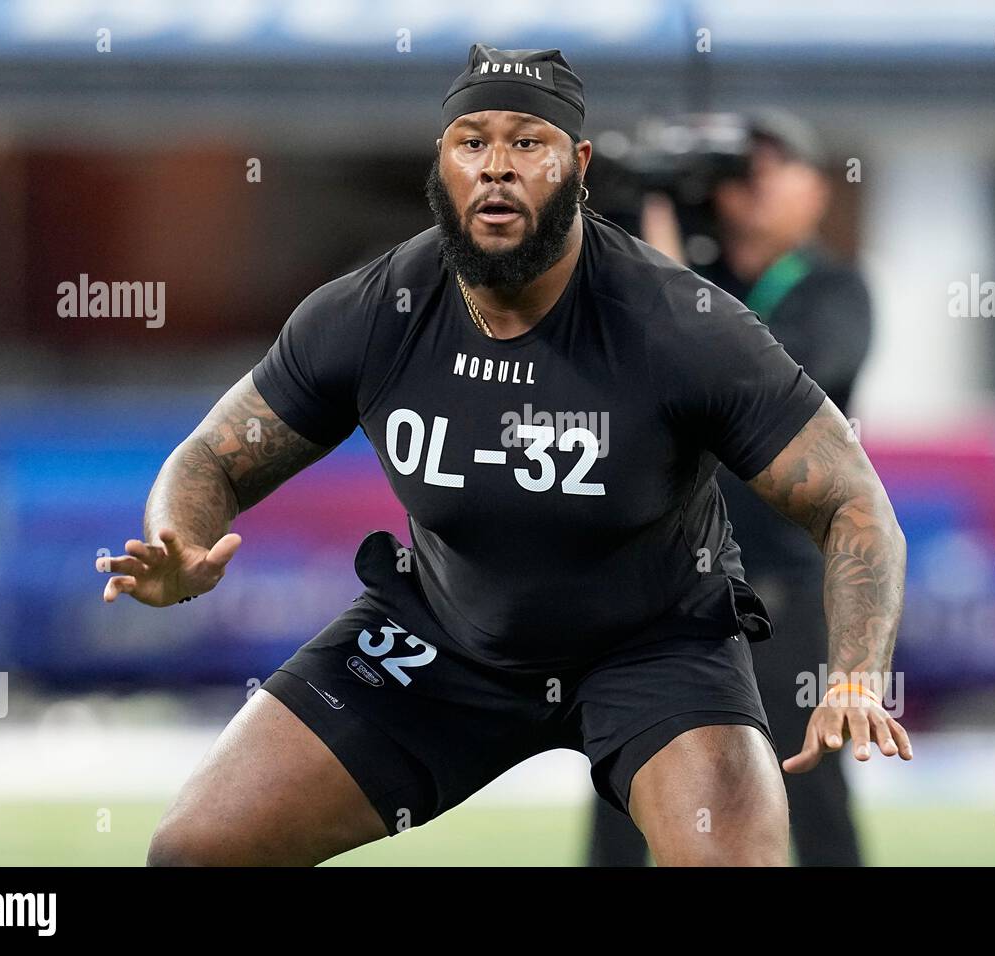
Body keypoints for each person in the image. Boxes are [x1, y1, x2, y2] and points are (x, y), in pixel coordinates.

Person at [98, 44, 910, 867]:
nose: (497, 168)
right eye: (472, 142)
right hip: (446, 639)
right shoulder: (377, 310)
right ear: (442, 163)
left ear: (578, 165)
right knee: (195, 849)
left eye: (529, 143)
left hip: (655, 649)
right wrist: (182, 540)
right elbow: (213, 458)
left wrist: (852, 675)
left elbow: (852, 501)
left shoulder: (681, 323)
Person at [588, 110, 874, 866]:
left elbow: (766, 382)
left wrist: (674, 274)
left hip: (779, 588)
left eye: (767, 172)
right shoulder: (694, 273)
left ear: (816, 190)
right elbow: (617, 342)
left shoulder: (834, 291)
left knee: (808, 784)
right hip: (666, 585)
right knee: (626, 783)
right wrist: (650, 212)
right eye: (734, 176)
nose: (746, 191)